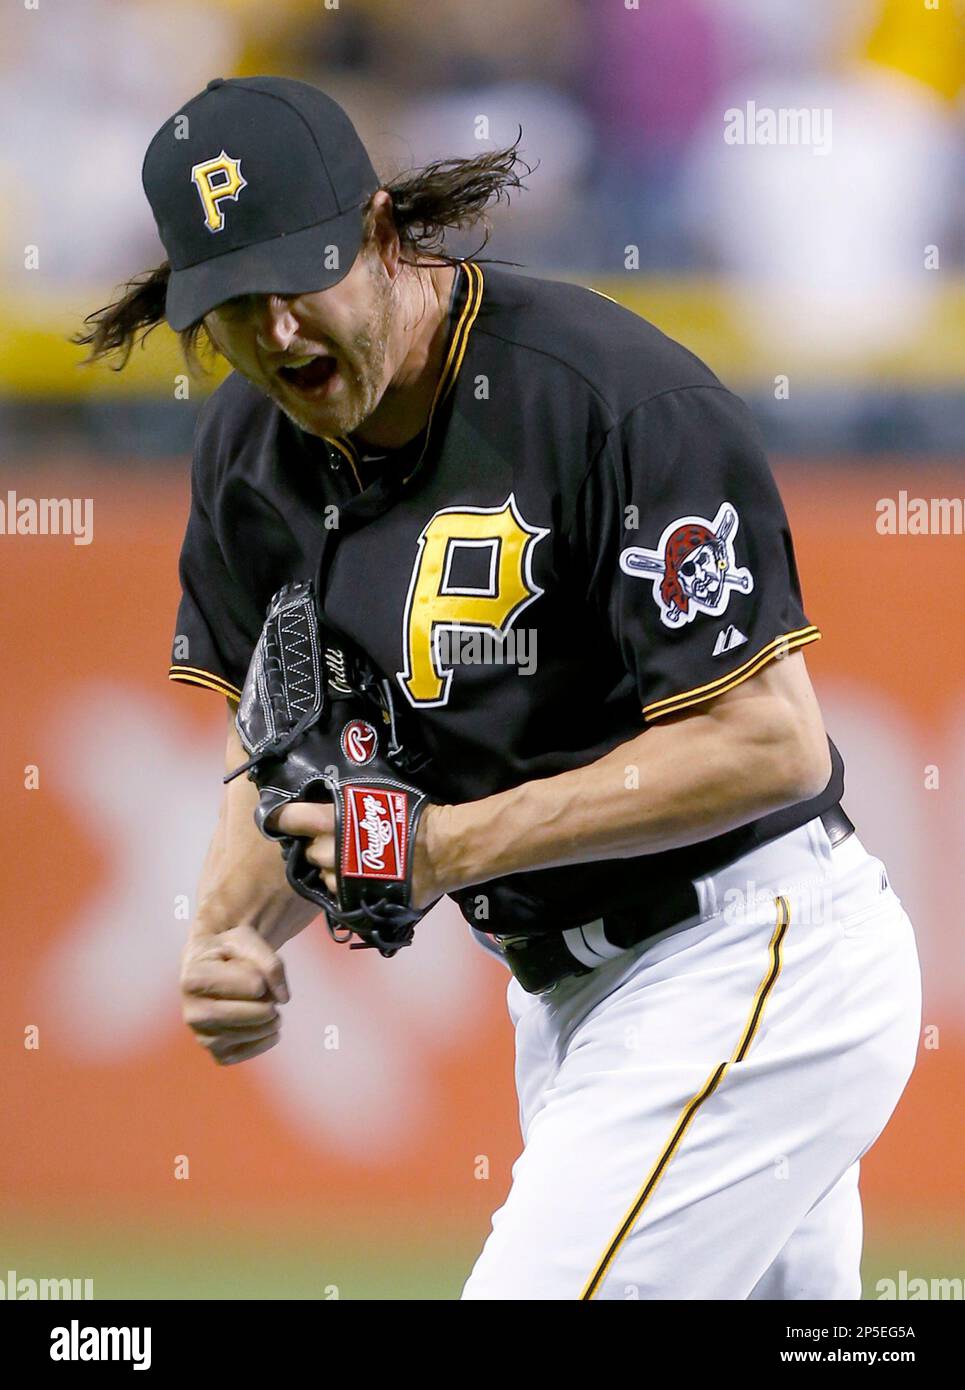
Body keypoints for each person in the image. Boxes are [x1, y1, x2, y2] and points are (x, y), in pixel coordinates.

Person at [77, 75, 921, 1301]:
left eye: (294, 283)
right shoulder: (250, 455)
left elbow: (768, 747)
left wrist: (452, 844)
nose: (276, 338)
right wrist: (227, 934)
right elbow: (277, 747)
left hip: (748, 956)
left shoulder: (599, 395)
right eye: (231, 307)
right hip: (575, 1004)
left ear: (377, 232)